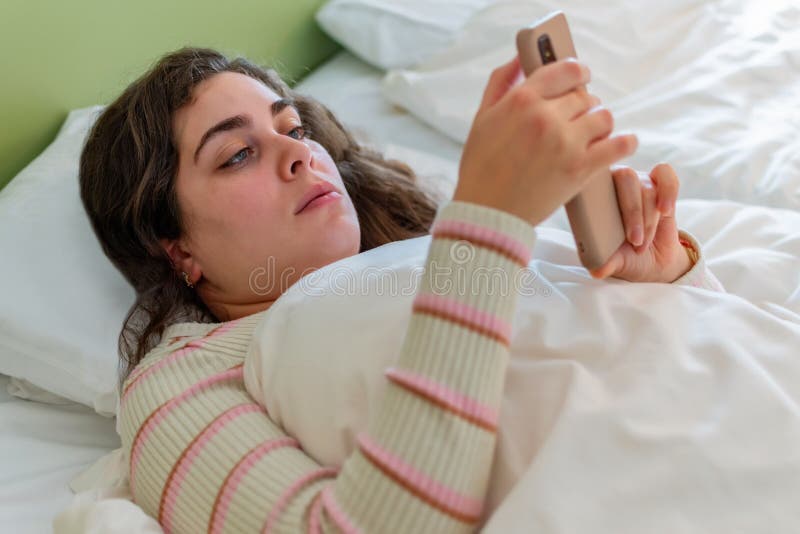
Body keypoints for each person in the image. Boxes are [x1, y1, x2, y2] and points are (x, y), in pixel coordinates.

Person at [79, 47, 721, 533]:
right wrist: (486, 229)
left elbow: (678, 358)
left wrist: (662, 279)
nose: (300, 155)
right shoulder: (181, 378)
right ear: (179, 249)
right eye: (237, 155)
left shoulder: (441, 251)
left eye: (293, 129)